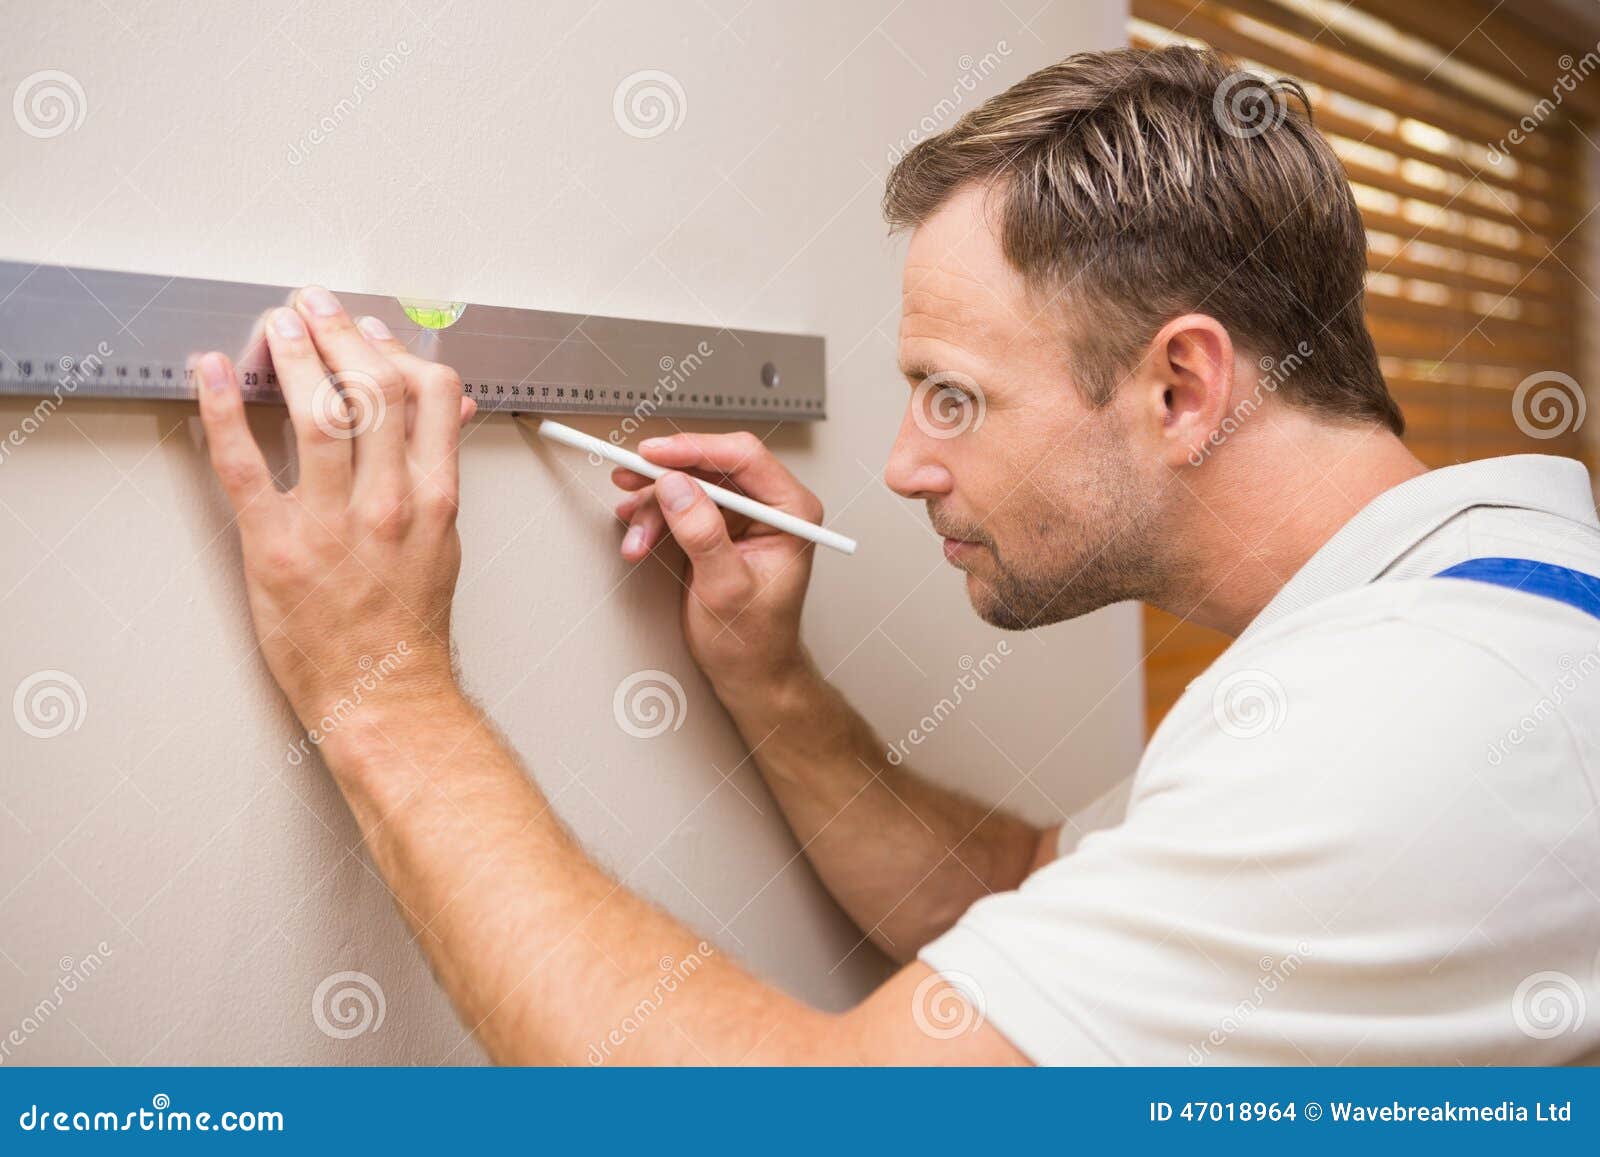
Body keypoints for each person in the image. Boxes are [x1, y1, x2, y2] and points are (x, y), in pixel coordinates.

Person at [194, 45, 1600, 1064]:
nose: (905, 464)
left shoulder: (1416, 719)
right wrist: (772, 686)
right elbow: (1035, 899)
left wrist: (383, 689)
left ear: (1181, 389)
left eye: (953, 397)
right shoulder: (1481, 607)